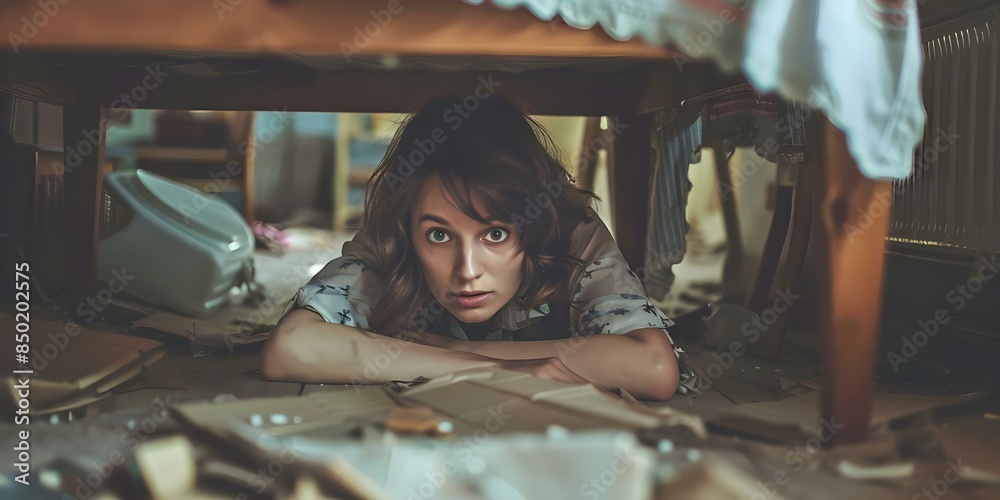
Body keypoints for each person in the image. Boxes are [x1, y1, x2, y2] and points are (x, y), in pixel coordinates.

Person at [261, 94, 683, 400]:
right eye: (439, 235)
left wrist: (456, 347)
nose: (467, 271)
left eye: (495, 234)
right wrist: (495, 370)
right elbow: (291, 347)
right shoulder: (394, 236)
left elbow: (654, 367)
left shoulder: (571, 232)